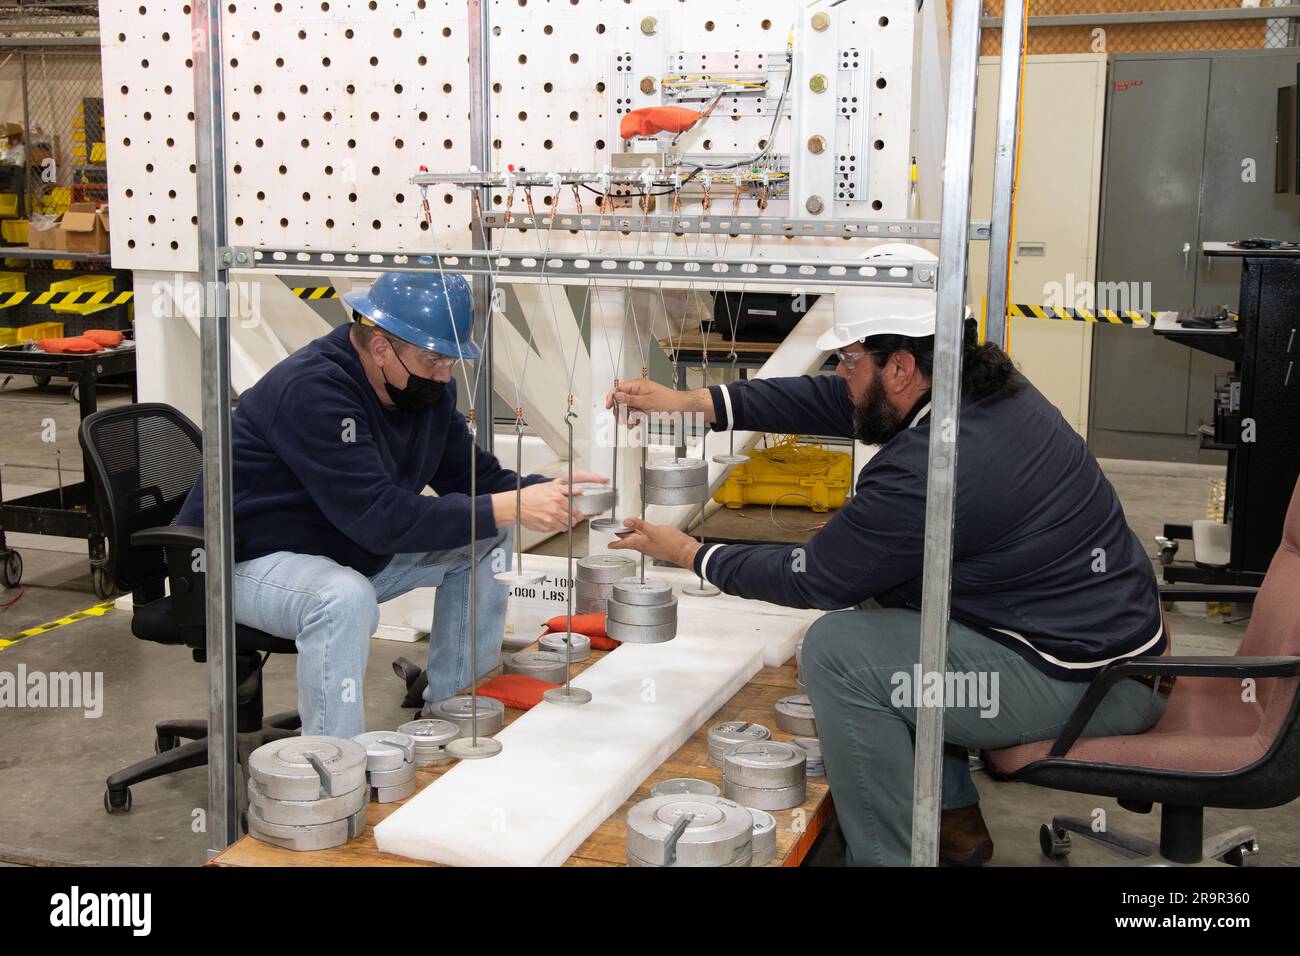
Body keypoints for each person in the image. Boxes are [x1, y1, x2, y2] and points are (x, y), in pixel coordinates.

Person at [605, 253, 1167, 866]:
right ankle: (952, 816)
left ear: (901, 366)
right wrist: (694, 402)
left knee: (839, 653)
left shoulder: (931, 467)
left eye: (848, 361)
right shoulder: (978, 392)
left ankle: (888, 857)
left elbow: (817, 577)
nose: (841, 375)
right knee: (893, 590)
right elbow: (836, 401)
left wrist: (692, 552)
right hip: (1103, 645)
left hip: (1085, 683)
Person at [176, 270, 602, 737]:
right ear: (380, 347)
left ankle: (455, 714)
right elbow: (377, 519)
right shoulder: (313, 390)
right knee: (342, 598)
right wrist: (510, 506)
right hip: (239, 560)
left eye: (452, 361)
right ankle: (331, 771)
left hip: (339, 546)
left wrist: (552, 489)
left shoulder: (425, 387)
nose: (444, 374)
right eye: (434, 359)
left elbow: (472, 478)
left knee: (487, 532)